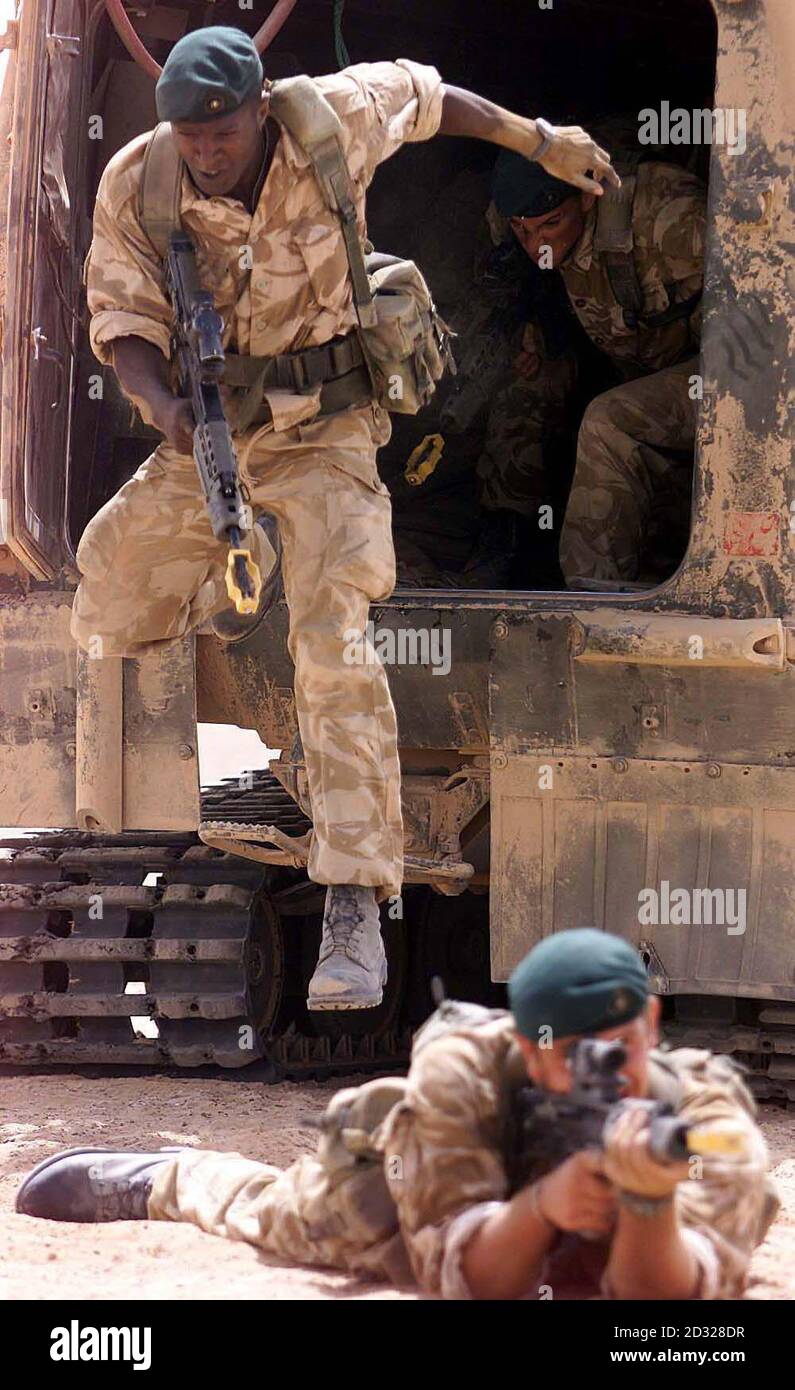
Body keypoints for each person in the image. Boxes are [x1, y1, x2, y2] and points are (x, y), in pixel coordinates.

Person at [71, 25, 618, 1009]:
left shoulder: (331, 115)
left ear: (257, 105)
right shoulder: (139, 182)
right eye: (187, 135)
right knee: (105, 586)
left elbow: (437, 94)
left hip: (327, 434)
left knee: (334, 636)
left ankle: (355, 899)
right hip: (213, 432)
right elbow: (124, 328)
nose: (206, 150)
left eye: (221, 131)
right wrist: (173, 413)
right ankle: (253, 771)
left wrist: (541, 141)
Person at [16, 929, 778, 1300]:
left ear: (651, 1023)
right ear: (523, 1043)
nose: (600, 1075)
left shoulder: (705, 1120)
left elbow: (674, 1304)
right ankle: (173, 1178)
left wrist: (646, 1199)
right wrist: (544, 1204)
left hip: (627, 1238)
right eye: (567, 1052)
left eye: (619, 1047)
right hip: (438, 1204)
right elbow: (468, 1278)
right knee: (308, 1216)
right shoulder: (467, 1069)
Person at [478, 150, 706, 585]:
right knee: (524, 385)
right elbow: (518, 279)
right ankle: (508, 549)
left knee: (609, 421)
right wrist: (537, 330)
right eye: (522, 230)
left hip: (733, 372)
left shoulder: (669, 220)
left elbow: (769, 292)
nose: (535, 245)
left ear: (586, 197)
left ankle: (589, 610)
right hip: (633, 365)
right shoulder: (513, 214)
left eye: (549, 226)